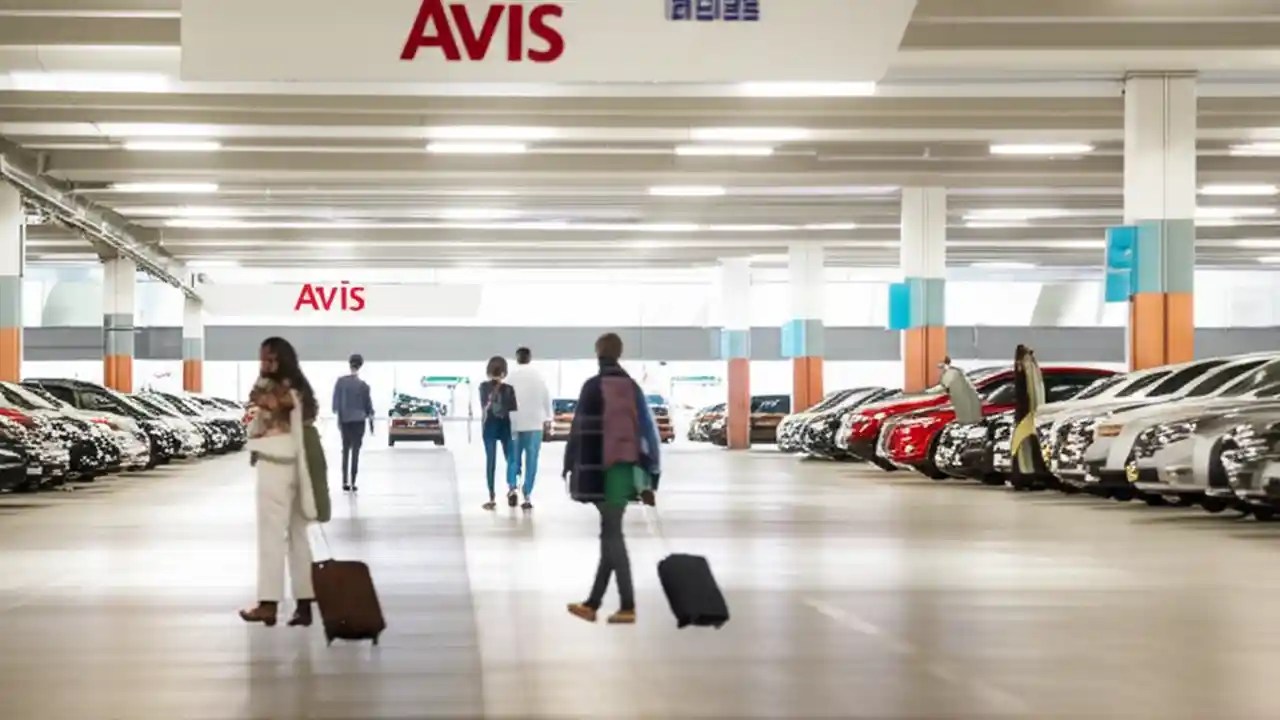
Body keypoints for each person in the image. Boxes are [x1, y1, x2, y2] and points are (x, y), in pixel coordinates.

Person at [563, 333, 661, 625]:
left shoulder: (592, 387)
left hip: (597, 471)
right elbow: (647, 433)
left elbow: (578, 431)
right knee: (610, 533)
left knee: (612, 536)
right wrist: (651, 476)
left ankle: (627, 606)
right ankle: (592, 604)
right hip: (624, 469)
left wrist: (569, 465)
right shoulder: (632, 388)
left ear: (598, 353)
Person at [240, 337, 323, 628]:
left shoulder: (277, 388)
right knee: (299, 538)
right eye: (262, 359)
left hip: (275, 465)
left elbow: (261, 403)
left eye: (269, 360)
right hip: (297, 468)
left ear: (281, 360)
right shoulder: (301, 387)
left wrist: (260, 389)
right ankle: (304, 605)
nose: (263, 365)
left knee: (271, 537)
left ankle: (268, 604)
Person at [505, 346, 553, 510]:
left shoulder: (510, 377)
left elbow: (504, 400)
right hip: (534, 424)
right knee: (531, 460)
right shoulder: (538, 376)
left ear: (517, 358)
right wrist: (548, 419)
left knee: (513, 459)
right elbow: (546, 398)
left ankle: (512, 487)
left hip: (514, 423)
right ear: (530, 358)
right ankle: (527, 495)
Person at [478, 356, 518, 510]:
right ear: (504, 371)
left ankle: (491, 496)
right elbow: (513, 409)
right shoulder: (509, 389)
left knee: (491, 461)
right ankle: (512, 488)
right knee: (510, 459)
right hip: (505, 425)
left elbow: (483, 406)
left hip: (489, 426)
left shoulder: (483, 387)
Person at [332, 353, 375, 492]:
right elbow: (368, 407)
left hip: (345, 420)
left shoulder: (340, 382)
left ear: (349, 364)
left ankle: (344, 481)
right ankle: (353, 482)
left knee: (345, 450)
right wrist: (371, 419)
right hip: (359, 420)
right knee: (355, 451)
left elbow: (335, 405)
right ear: (360, 365)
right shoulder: (363, 386)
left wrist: (340, 415)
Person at [1010, 344, 1049, 489]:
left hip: (1025, 413)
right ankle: (1027, 475)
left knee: (1023, 446)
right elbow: (1028, 393)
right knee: (1025, 445)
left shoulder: (1025, 368)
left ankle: (1025, 475)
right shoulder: (1029, 368)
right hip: (1027, 413)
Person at [939, 356, 982, 424]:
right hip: (970, 405)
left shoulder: (951, 373)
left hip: (964, 405)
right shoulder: (958, 372)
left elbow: (942, 387)